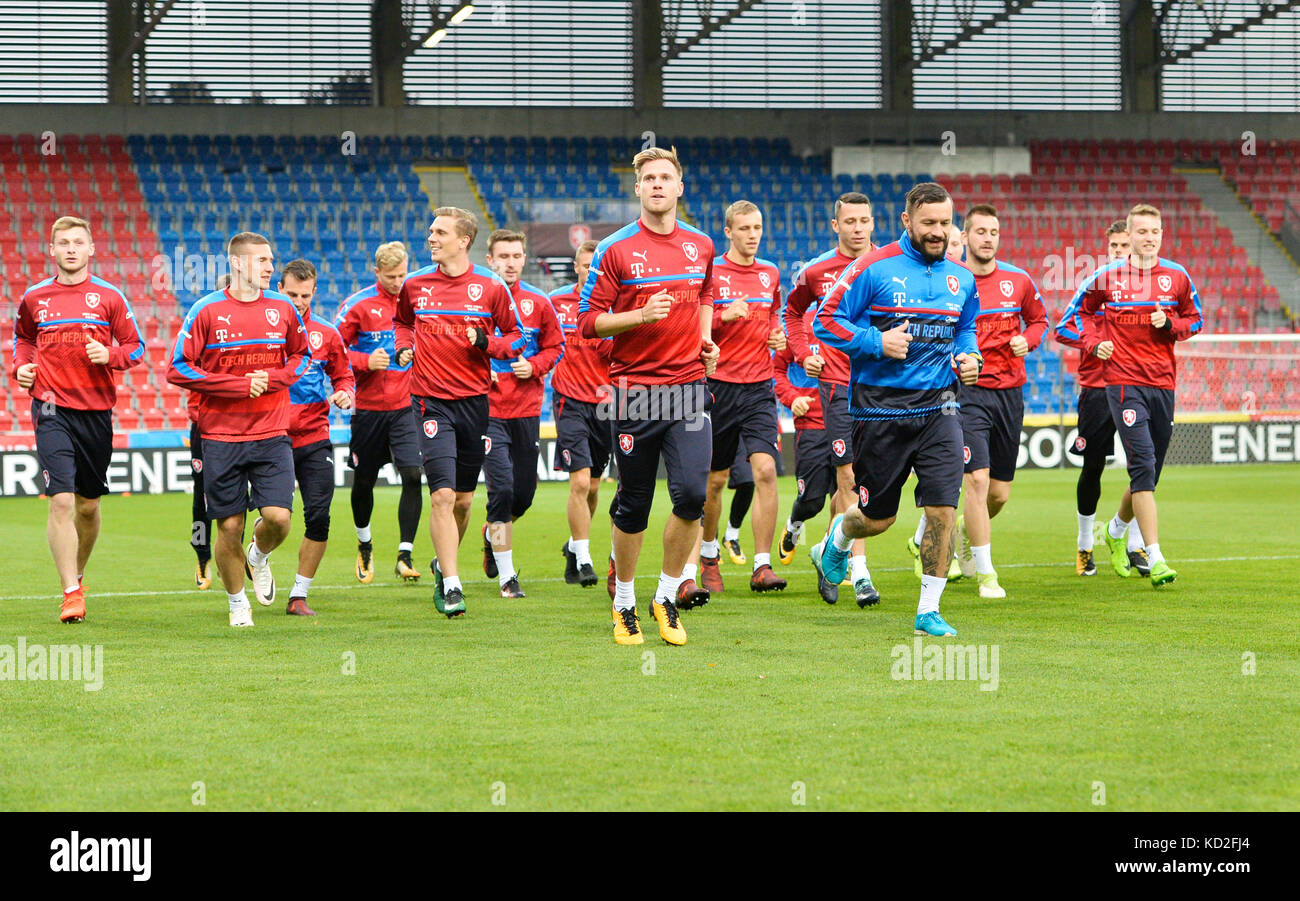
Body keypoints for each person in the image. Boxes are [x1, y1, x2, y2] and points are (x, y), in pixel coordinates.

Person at [811, 182, 982, 637]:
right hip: (879, 409)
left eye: (946, 223)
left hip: (940, 407)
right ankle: (839, 538)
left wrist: (970, 358)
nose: (938, 232)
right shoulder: (873, 266)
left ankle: (928, 610)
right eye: (929, 223)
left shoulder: (961, 277)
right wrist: (875, 341)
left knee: (942, 509)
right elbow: (824, 321)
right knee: (878, 519)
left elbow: (966, 329)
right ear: (907, 221)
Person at [577, 145, 719, 647]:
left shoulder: (700, 245)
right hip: (634, 392)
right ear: (637, 188)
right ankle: (623, 605)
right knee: (634, 504)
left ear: (680, 187)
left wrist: (706, 339)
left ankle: (664, 597)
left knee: (692, 496)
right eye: (649, 178)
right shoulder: (615, 248)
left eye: (666, 177)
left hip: (687, 390)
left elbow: (705, 295)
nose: (658, 185)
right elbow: (587, 322)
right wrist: (639, 316)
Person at [168, 232, 311, 627]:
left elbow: (302, 355)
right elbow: (177, 368)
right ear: (237, 264)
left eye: (270, 260)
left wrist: (278, 378)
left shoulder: (282, 308)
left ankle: (259, 555)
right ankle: (237, 604)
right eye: (263, 260)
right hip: (220, 436)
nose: (270, 267)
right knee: (228, 526)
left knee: (279, 518)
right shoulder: (206, 309)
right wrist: (236, 385)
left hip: (271, 431)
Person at [12, 216, 144, 623]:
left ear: (91, 250)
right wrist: (21, 367)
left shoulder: (109, 297)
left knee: (87, 506)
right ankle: (71, 592)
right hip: (50, 408)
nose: (70, 249)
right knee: (62, 500)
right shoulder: (35, 298)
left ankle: (78, 573)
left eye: (78, 242)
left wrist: (113, 356)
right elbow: (24, 339)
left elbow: (135, 346)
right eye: (63, 243)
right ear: (51, 251)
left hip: (96, 413)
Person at [394, 207, 523, 617]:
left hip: (475, 402)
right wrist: (403, 346)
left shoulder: (491, 287)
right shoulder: (414, 284)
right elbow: (402, 323)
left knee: (465, 502)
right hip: (430, 401)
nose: (431, 237)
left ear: (463, 241)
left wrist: (487, 343)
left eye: (439, 232)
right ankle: (451, 585)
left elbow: (517, 338)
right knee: (443, 495)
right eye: (431, 230)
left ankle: (440, 565)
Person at [1076, 203, 1202, 588]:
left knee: (1150, 471)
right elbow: (1075, 315)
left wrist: (1172, 325)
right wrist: (1095, 342)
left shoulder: (1177, 276)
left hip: (1163, 384)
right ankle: (1155, 555)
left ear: (1161, 235)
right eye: (1142, 231)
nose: (1149, 237)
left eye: (1155, 231)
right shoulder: (1106, 277)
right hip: (1123, 383)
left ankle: (1115, 529)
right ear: (1128, 236)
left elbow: (1196, 320)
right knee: (1142, 465)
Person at [944, 204, 1047, 598]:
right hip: (967, 393)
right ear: (965, 237)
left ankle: (967, 536)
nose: (988, 238)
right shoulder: (953, 282)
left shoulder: (1017, 281)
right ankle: (987, 575)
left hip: (1010, 394)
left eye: (994, 232)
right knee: (976, 479)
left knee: (999, 493)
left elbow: (1040, 320)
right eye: (981, 231)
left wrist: (1029, 339)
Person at [782, 192, 876, 604]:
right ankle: (860, 574)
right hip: (837, 388)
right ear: (836, 226)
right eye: (849, 221)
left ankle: (827, 551)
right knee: (847, 479)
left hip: (882, 389)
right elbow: (791, 314)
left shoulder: (889, 265)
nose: (857, 228)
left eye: (864, 221)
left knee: (866, 483)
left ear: (873, 223)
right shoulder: (816, 271)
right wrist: (804, 354)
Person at [696, 200, 787, 594]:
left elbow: (775, 318)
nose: (753, 235)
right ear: (729, 232)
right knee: (714, 481)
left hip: (759, 388)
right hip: (718, 388)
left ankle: (762, 565)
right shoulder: (711, 272)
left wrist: (777, 336)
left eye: (758, 227)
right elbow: (691, 325)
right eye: (745, 228)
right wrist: (721, 318)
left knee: (766, 471)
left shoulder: (771, 273)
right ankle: (709, 554)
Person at [1055, 221, 1149, 576]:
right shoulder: (1095, 287)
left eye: (1127, 245)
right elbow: (1062, 328)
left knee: (1145, 466)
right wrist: (1093, 343)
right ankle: (1084, 545)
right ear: (1107, 249)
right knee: (1092, 467)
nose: (1121, 251)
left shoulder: (1149, 291)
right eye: (1115, 246)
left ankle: (1134, 541)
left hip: (1139, 386)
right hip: (1097, 388)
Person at [479, 229, 565, 598]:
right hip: (485, 410)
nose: (510, 263)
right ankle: (507, 575)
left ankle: (491, 535)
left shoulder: (538, 301)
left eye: (516, 256)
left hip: (527, 410)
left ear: (524, 258)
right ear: (490, 260)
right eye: (503, 256)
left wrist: (535, 367)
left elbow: (555, 346)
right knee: (501, 489)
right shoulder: (475, 300)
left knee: (523, 495)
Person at [334, 242, 424, 584]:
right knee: (364, 482)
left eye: (403, 274)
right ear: (376, 273)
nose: (398, 282)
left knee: (414, 475)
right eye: (391, 277)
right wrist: (364, 361)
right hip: (368, 411)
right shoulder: (357, 306)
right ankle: (364, 542)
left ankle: (404, 553)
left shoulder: (417, 301)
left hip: (406, 407)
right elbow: (330, 348)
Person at [281, 259, 355, 615]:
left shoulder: (325, 333)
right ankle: (258, 552)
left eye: (305, 295)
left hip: (314, 435)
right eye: (292, 294)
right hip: (271, 438)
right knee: (276, 517)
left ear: (315, 293)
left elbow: (344, 376)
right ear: (279, 289)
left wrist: (344, 393)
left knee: (319, 516)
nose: (298, 301)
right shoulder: (263, 331)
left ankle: (299, 595)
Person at [549, 240, 610, 588]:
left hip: (606, 401)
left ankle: (574, 546)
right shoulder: (556, 302)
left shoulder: (613, 307)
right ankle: (586, 559)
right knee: (580, 481)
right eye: (585, 265)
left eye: (596, 267)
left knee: (594, 486)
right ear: (576, 267)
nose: (590, 272)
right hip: (569, 399)